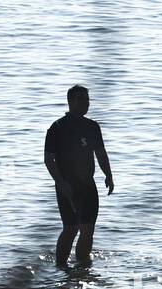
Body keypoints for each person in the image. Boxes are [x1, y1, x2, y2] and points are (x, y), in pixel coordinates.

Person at [44, 85, 114, 269]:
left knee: (88, 230)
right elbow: (48, 158)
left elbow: (100, 152)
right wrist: (60, 181)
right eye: (81, 99)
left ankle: (83, 268)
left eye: (87, 99)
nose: (85, 103)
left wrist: (109, 175)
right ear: (70, 102)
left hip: (88, 186)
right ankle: (61, 268)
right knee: (71, 228)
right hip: (67, 186)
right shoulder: (58, 127)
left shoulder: (92, 126)